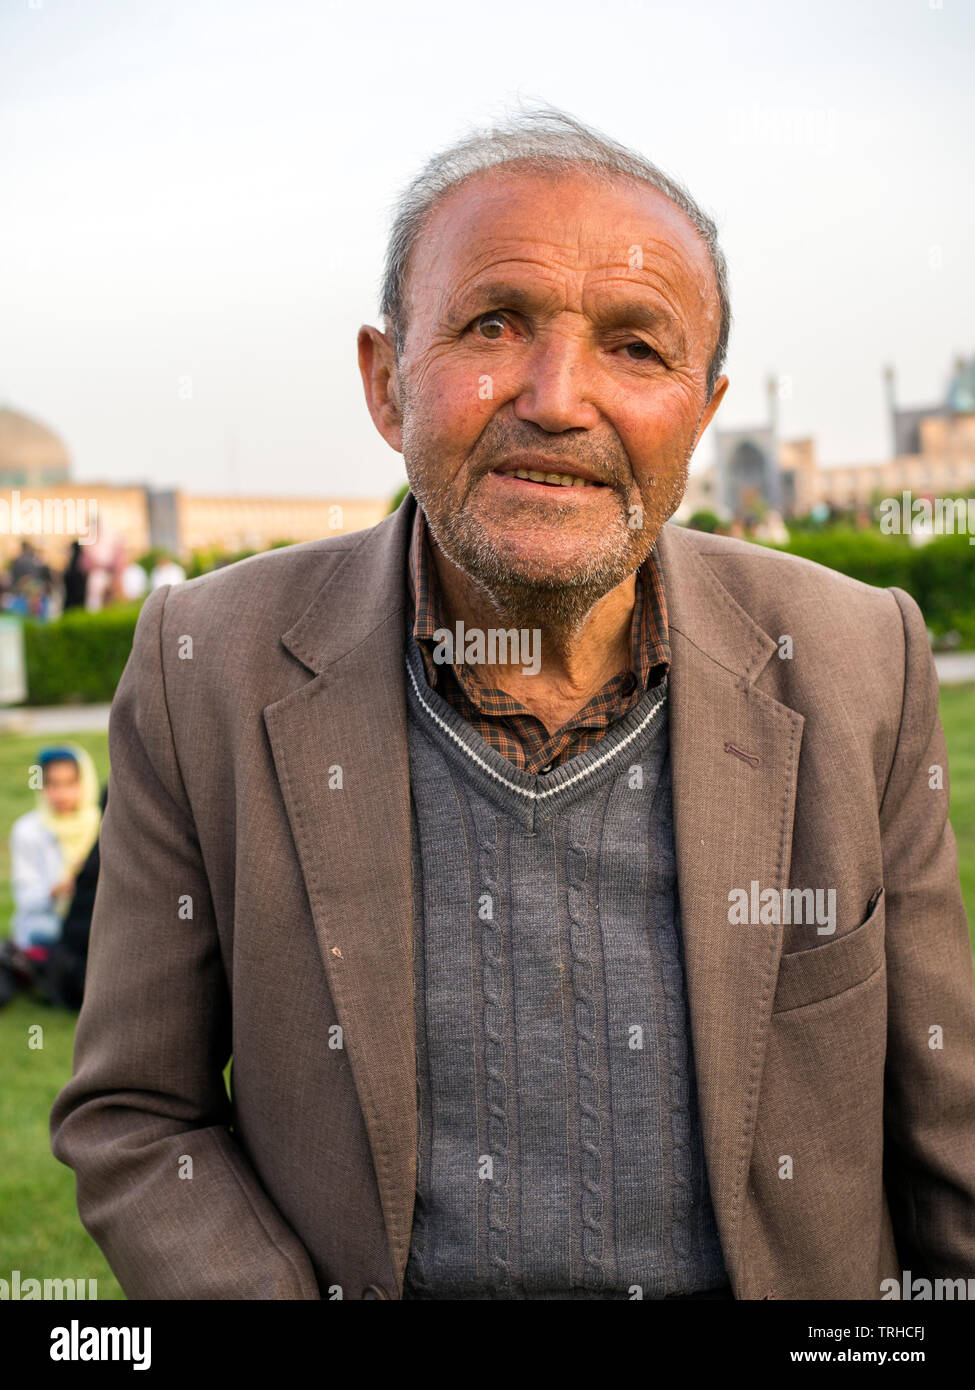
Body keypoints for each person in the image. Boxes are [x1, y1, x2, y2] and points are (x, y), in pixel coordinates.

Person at [51, 106, 975, 1300]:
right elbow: (138, 1113)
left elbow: (948, 1134)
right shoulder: (206, 667)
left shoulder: (857, 661)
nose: (556, 397)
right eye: (494, 323)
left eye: (638, 348)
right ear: (388, 384)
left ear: (702, 409)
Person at [2, 744, 102, 1005]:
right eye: (52, 784)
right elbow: (27, 901)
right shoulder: (29, 830)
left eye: (70, 783)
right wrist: (61, 888)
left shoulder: (100, 825)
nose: (60, 794)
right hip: (48, 927)